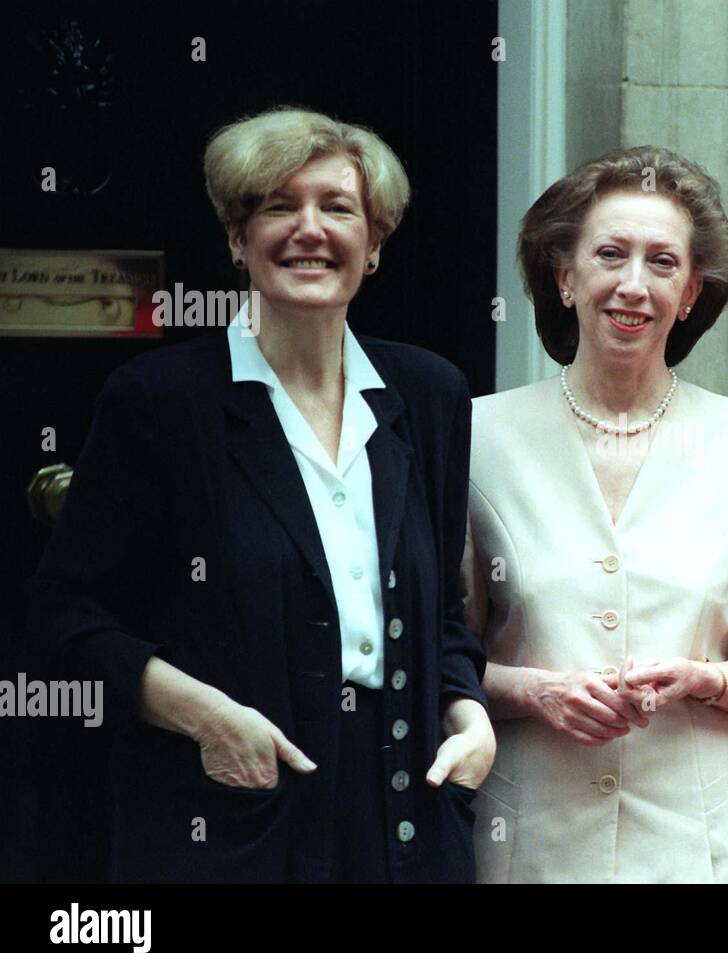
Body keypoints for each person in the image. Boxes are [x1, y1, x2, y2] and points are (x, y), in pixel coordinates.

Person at [26, 107, 494, 882]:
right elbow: (64, 617)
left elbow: (441, 613)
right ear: (237, 239)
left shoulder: (428, 392)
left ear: (374, 245)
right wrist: (208, 718)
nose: (309, 228)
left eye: (338, 208)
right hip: (232, 813)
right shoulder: (161, 402)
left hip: (406, 812)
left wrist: (469, 715)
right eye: (278, 205)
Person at [461, 145, 728, 882]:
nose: (633, 284)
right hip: (530, 837)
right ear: (565, 276)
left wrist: (703, 677)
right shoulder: (474, 438)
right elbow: (440, 657)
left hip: (705, 844)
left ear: (690, 293)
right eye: (610, 254)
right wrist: (539, 691)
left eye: (662, 262)